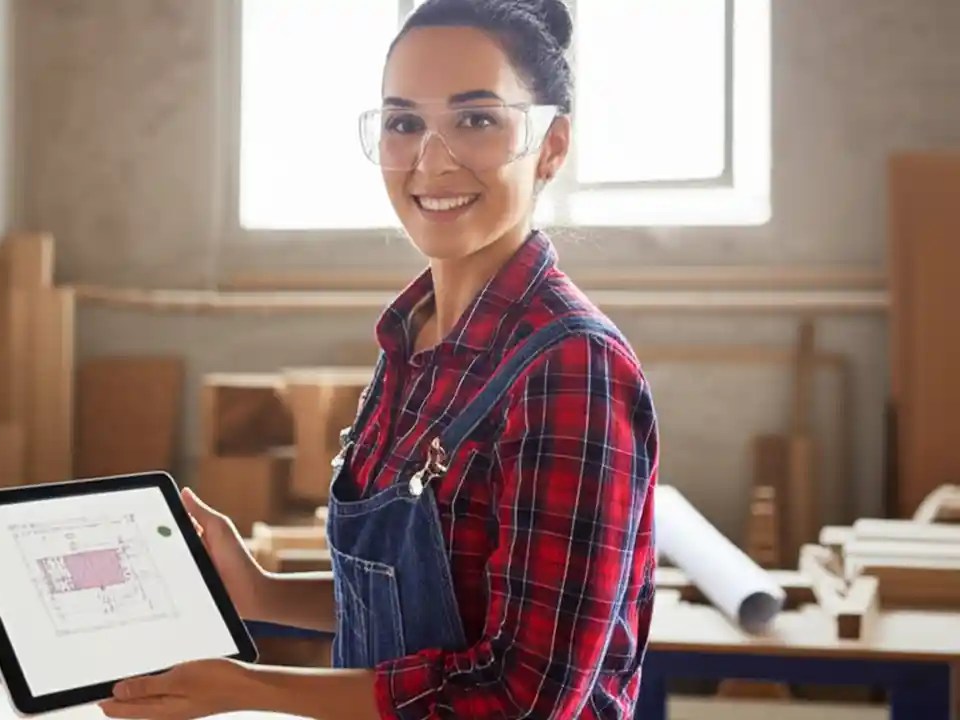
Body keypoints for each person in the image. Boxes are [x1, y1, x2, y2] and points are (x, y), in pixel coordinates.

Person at [98, 0, 658, 718]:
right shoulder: (412, 345)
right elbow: (419, 607)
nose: (431, 159)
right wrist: (260, 591)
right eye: (403, 123)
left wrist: (247, 688)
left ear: (551, 146)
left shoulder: (570, 366)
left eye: (477, 119)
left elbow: (525, 696)